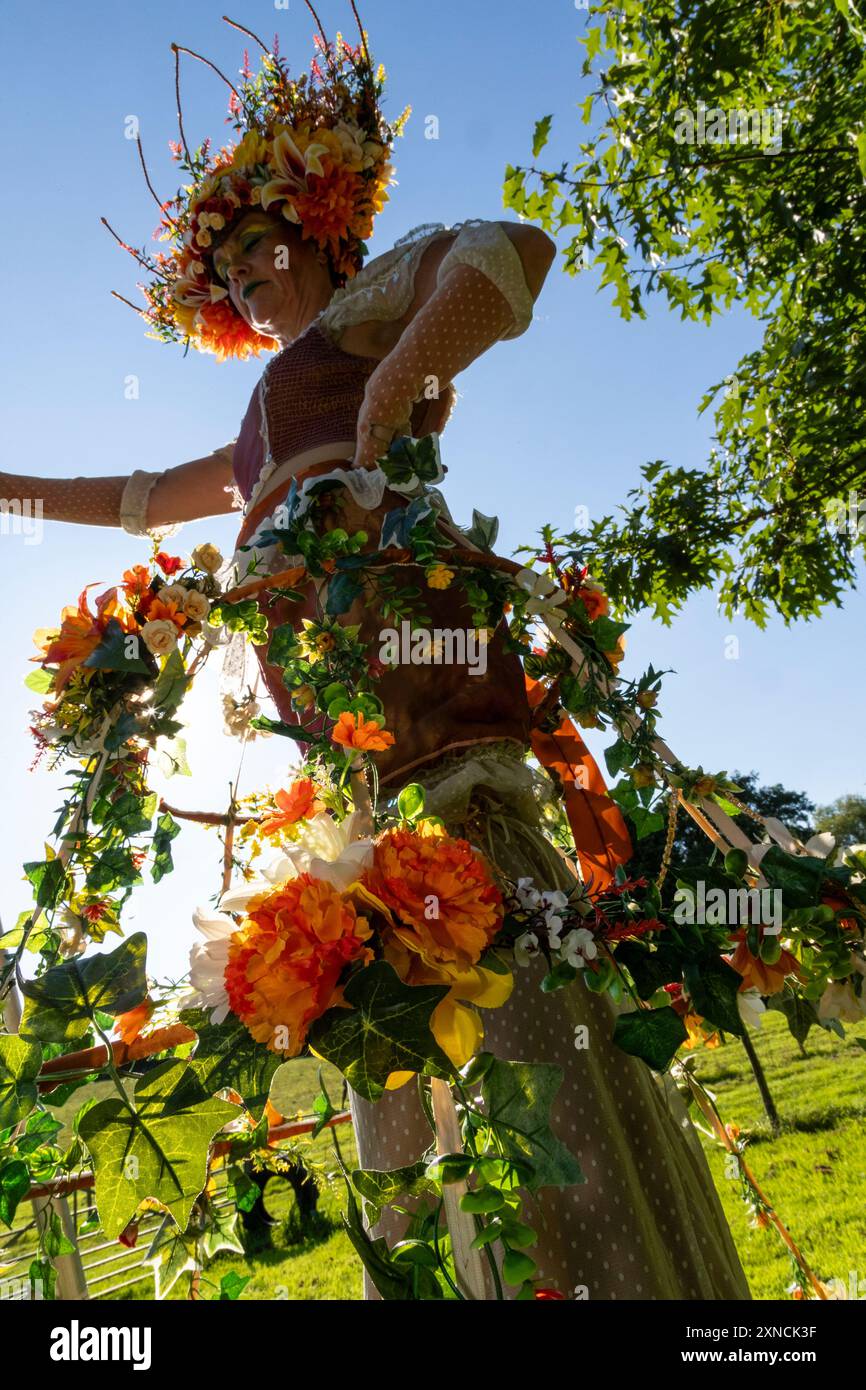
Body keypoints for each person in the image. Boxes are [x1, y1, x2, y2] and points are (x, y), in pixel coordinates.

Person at [0, 10, 751, 1301]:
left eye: (262, 246)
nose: (247, 277)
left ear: (322, 229)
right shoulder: (260, 419)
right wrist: (5, 490)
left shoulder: (350, 321)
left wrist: (398, 371)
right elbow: (130, 495)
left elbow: (509, 250)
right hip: (347, 758)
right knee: (391, 1002)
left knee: (497, 943)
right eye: (226, 269)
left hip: (424, 689)